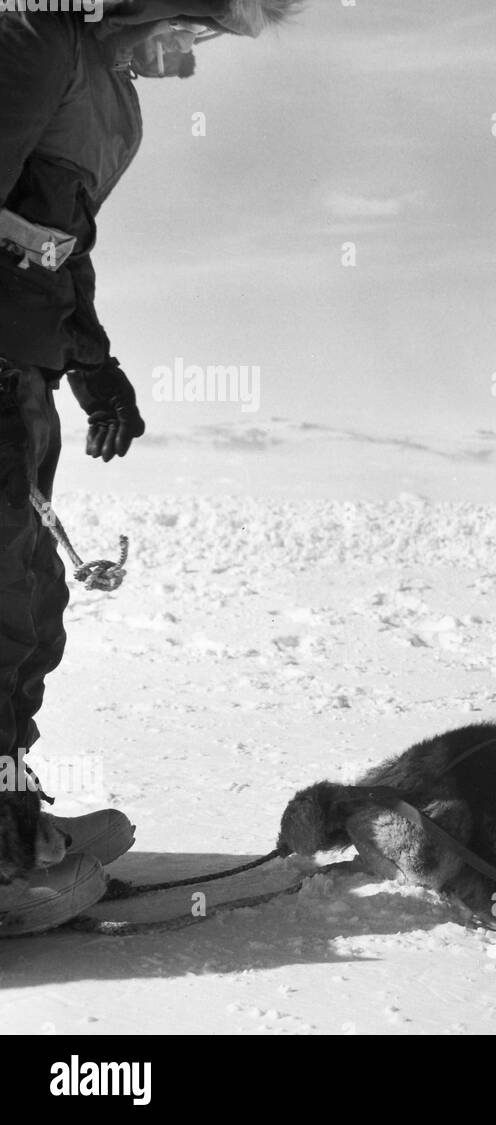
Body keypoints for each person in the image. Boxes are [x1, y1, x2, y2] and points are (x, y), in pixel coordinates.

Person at [0, 0, 301, 937]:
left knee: (23, 600)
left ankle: (7, 811)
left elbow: (50, 238)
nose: (191, 50)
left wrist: (89, 358)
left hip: (20, 365)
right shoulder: (35, 41)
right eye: (195, 23)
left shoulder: (96, 78)